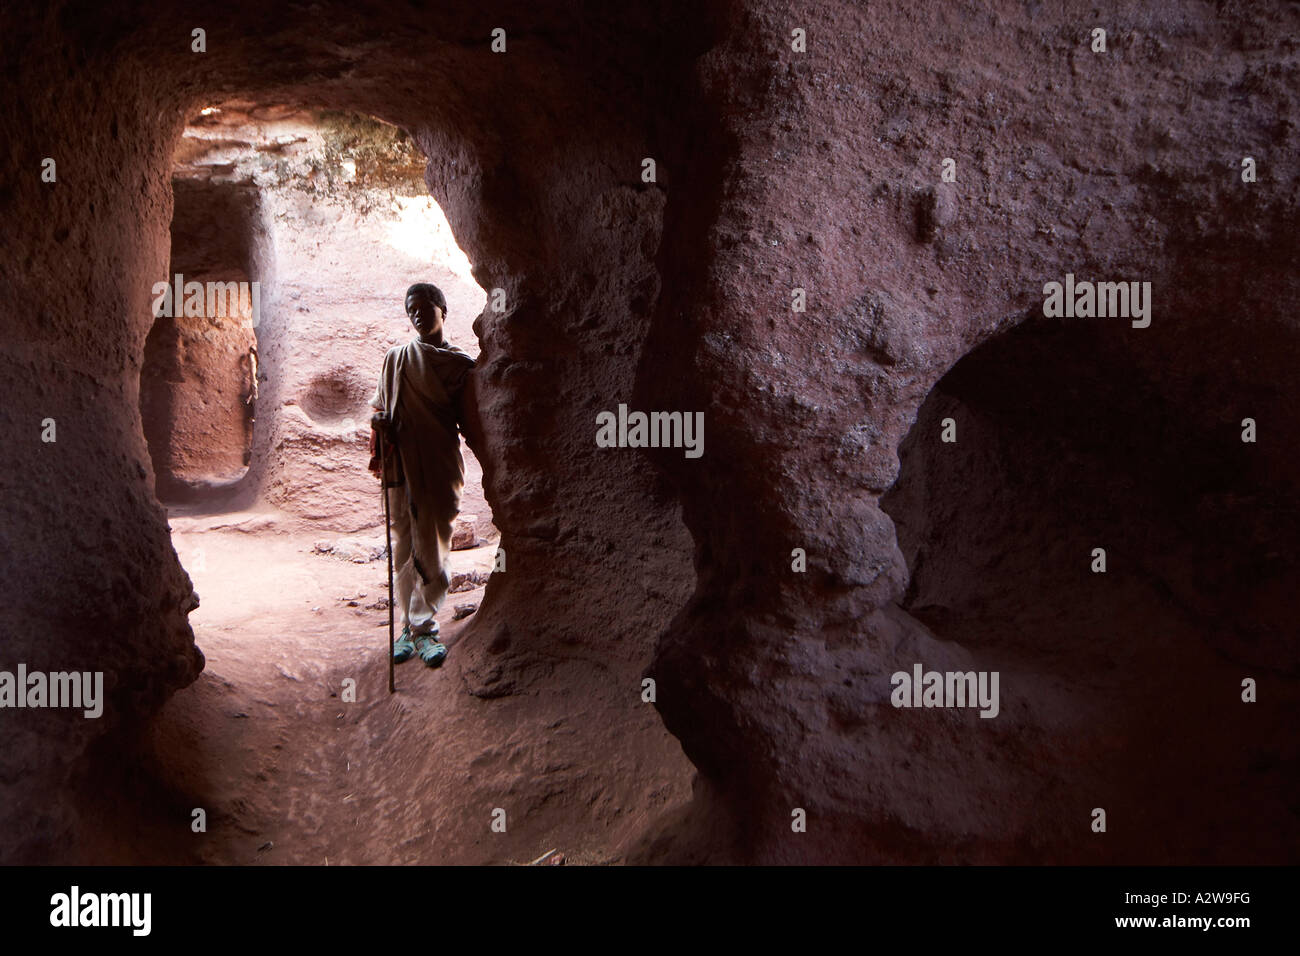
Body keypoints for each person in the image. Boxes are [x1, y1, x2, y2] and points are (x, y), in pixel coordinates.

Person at [368, 283, 475, 667]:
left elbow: (471, 421)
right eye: (410, 309)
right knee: (404, 546)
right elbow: (380, 404)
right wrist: (379, 421)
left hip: (439, 466)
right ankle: (408, 628)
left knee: (433, 545)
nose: (416, 314)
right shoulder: (396, 358)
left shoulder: (459, 364)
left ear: (441, 309)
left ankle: (425, 627)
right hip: (401, 470)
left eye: (424, 307)